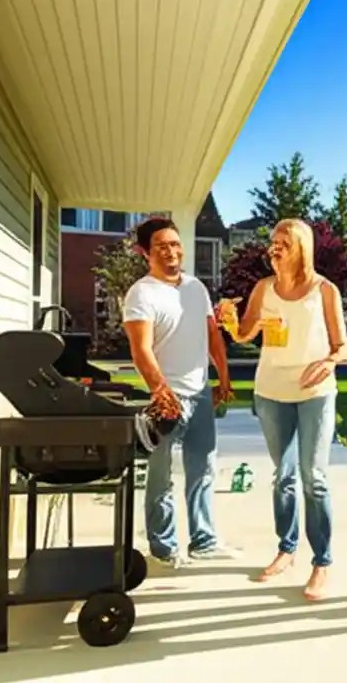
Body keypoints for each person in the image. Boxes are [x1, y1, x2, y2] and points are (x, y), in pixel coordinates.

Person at [216, 219, 347, 600]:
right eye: (273, 242)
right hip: (271, 391)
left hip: (315, 392)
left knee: (314, 476)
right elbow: (245, 333)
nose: (274, 248)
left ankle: (322, 561)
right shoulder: (263, 289)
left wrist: (329, 362)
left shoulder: (325, 290)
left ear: (302, 248)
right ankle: (286, 550)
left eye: (283, 243)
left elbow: (342, 346)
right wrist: (228, 321)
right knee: (284, 476)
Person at [122, 217, 235, 568]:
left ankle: (204, 541)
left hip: (199, 394)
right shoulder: (141, 293)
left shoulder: (195, 288)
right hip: (166, 399)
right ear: (145, 252)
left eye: (174, 244)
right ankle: (163, 549)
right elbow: (141, 350)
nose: (171, 251)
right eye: (161, 246)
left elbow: (212, 334)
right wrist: (160, 391)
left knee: (203, 470)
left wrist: (224, 376)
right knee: (161, 477)